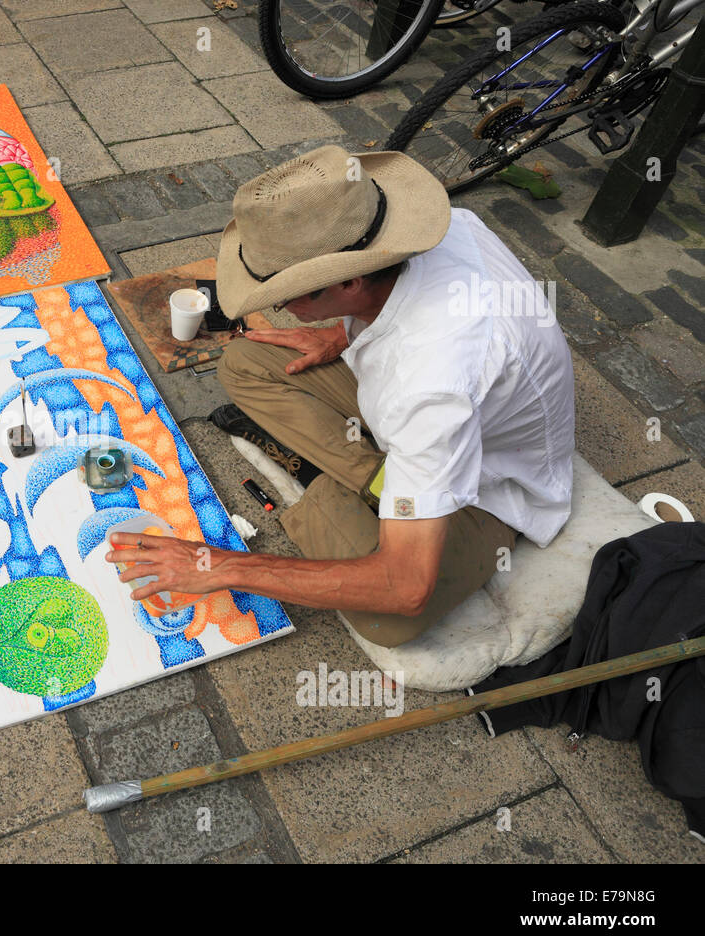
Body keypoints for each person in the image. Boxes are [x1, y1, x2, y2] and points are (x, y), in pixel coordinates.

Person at [107, 145, 575, 648]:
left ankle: (354, 491)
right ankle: (381, 483)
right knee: (244, 362)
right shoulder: (444, 228)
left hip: (493, 488)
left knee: (387, 621)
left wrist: (221, 566)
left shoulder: (432, 381)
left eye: (284, 297)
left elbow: (406, 588)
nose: (280, 310)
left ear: (349, 281)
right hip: (422, 411)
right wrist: (339, 334)